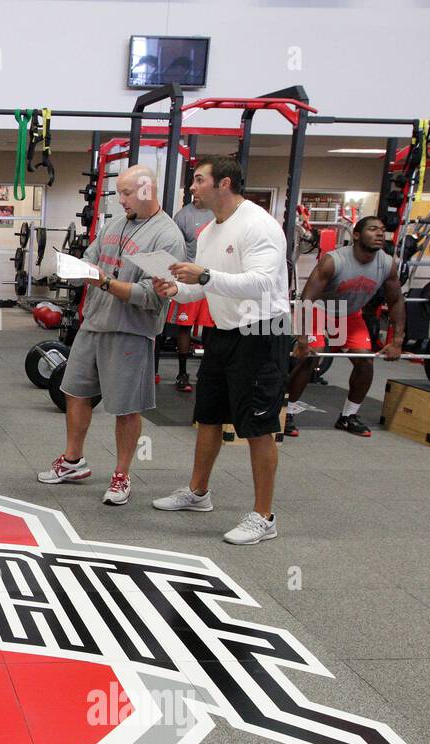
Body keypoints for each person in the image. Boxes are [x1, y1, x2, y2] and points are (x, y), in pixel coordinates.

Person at [151, 156, 290, 546]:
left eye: (198, 180)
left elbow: (261, 283)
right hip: (224, 332)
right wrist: (179, 289)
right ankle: (198, 493)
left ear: (223, 183)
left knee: (258, 426)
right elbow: (207, 286)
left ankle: (265, 516)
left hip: (263, 333)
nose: (192, 187)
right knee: (208, 416)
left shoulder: (259, 225)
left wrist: (205, 275)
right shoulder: (211, 230)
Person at [37, 164, 186, 505]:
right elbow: (90, 259)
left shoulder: (167, 237)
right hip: (94, 324)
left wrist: (104, 281)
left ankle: (122, 475)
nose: (120, 200)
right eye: (119, 192)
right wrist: (75, 268)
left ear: (147, 190)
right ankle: (73, 461)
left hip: (130, 332)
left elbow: (151, 296)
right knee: (74, 391)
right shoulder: (115, 225)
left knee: (126, 409)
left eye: (127, 193)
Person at [285, 215, 404, 437]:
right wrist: (302, 339)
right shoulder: (334, 260)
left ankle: (348, 416)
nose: (380, 233)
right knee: (311, 356)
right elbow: (306, 299)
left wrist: (396, 341)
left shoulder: (387, 264)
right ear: (357, 235)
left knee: (365, 361)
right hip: (320, 310)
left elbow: (396, 301)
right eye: (372, 229)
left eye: (382, 229)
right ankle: (287, 412)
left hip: (350, 315)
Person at [163, 197, 217, 391]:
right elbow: (176, 247)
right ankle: (182, 373)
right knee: (184, 327)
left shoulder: (216, 214)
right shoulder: (183, 216)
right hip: (188, 278)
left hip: (210, 278)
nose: (196, 189)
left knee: (211, 327)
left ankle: (206, 372)